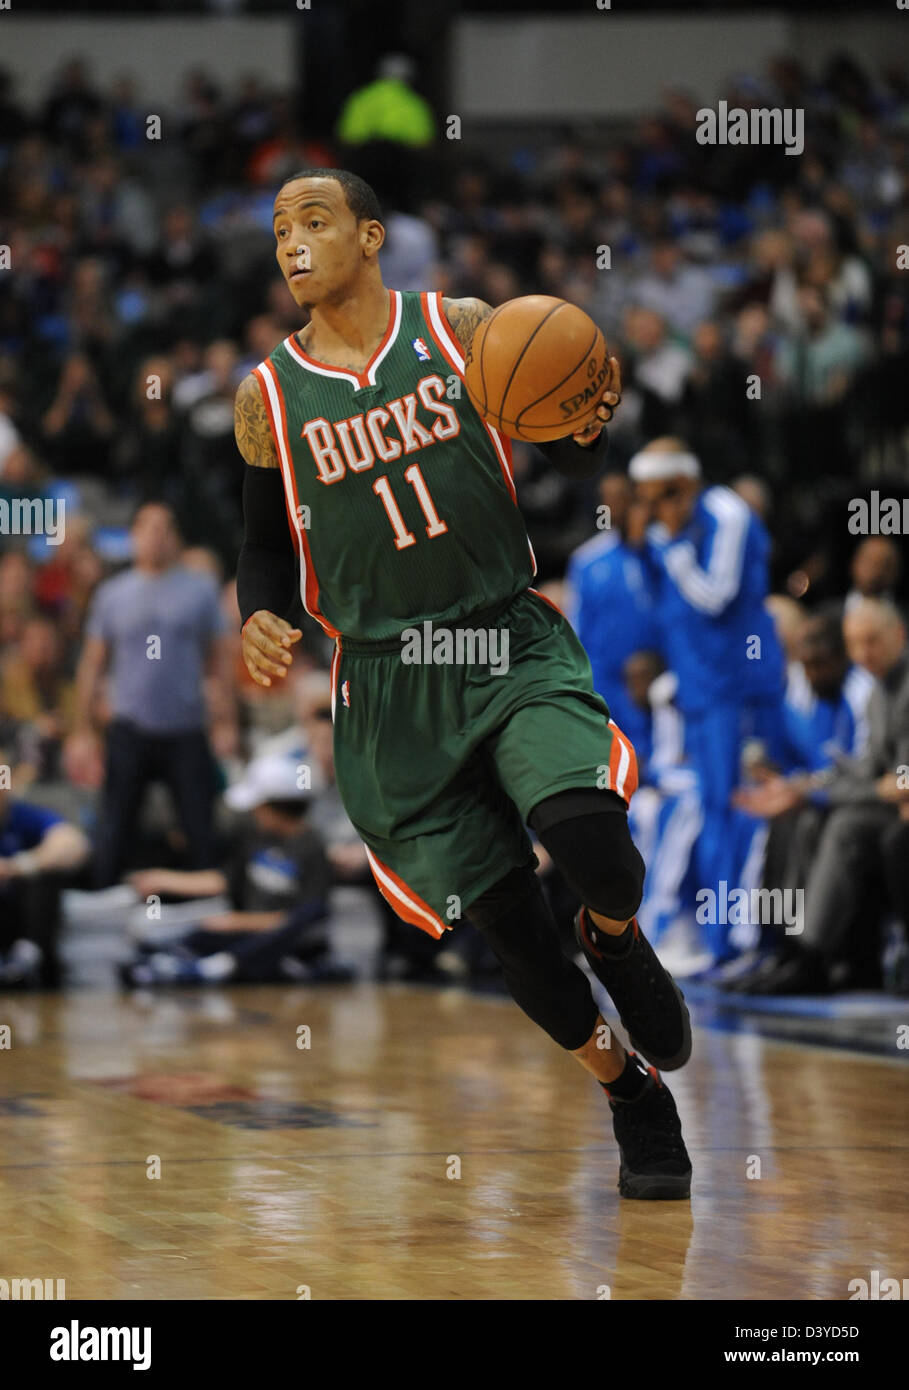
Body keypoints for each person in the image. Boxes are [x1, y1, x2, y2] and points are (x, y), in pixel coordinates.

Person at [234, 168, 693, 1200]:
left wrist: (587, 427)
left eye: (314, 222)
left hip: (501, 641)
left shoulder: (467, 328)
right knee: (511, 936)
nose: (293, 244)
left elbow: (570, 431)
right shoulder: (262, 398)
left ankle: (613, 936)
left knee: (596, 855)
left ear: (370, 234)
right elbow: (265, 549)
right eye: (279, 231)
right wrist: (258, 612)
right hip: (391, 690)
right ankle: (630, 1092)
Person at [630, 437, 785, 965]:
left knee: (739, 811)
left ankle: (740, 943)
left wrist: (670, 546)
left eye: (665, 494)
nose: (657, 508)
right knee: (709, 813)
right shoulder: (663, 529)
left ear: (689, 481)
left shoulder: (728, 514)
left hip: (739, 689)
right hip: (699, 692)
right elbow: (661, 606)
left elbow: (716, 595)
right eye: (647, 497)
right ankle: (713, 939)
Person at [733, 599, 909, 994]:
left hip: (896, 812)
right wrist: (806, 789)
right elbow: (867, 770)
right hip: (882, 801)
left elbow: (900, 781)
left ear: (898, 635)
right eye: (856, 645)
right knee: (806, 816)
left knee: (846, 824)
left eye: (872, 642)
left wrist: (823, 793)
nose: (864, 654)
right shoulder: (880, 688)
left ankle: (813, 955)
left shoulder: (886, 687)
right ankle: (790, 948)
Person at [71, 502, 236, 886]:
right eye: (147, 528)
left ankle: (207, 905)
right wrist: (82, 730)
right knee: (116, 824)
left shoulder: (200, 589)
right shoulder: (112, 594)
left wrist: (226, 721)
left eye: (164, 528)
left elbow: (220, 660)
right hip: (129, 726)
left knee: (200, 825)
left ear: (175, 537)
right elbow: (93, 664)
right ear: (133, 537)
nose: (156, 536)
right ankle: (103, 899)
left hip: (186, 725)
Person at [0, 753, 91, 986]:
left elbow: (74, 844)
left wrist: (18, 866)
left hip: (20, 916)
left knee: (45, 875)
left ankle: (29, 956)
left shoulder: (22, 816)